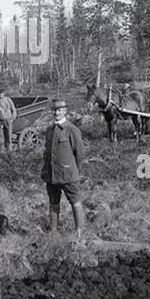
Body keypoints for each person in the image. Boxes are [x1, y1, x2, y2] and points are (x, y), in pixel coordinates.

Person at [42, 98, 86, 237]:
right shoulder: (50, 130)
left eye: (59, 110)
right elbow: (47, 152)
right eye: (54, 110)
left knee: (75, 201)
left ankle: (79, 232)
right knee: (53, 203)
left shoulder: (72, 130)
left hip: (68, 175)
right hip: (52, 175)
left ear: (65, 111)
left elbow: (80, 154)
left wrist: (73, 169)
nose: (56, 113)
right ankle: (53, 232)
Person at [0, 88, 17, 152]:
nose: (0, 95)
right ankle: (2, 152)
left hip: (8, 120)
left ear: (4, 93)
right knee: (1, 137)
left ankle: (9, 152)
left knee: (8, 136)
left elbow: (13, 109)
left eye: (2, 93)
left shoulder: (8, 100)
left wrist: (12, 119)